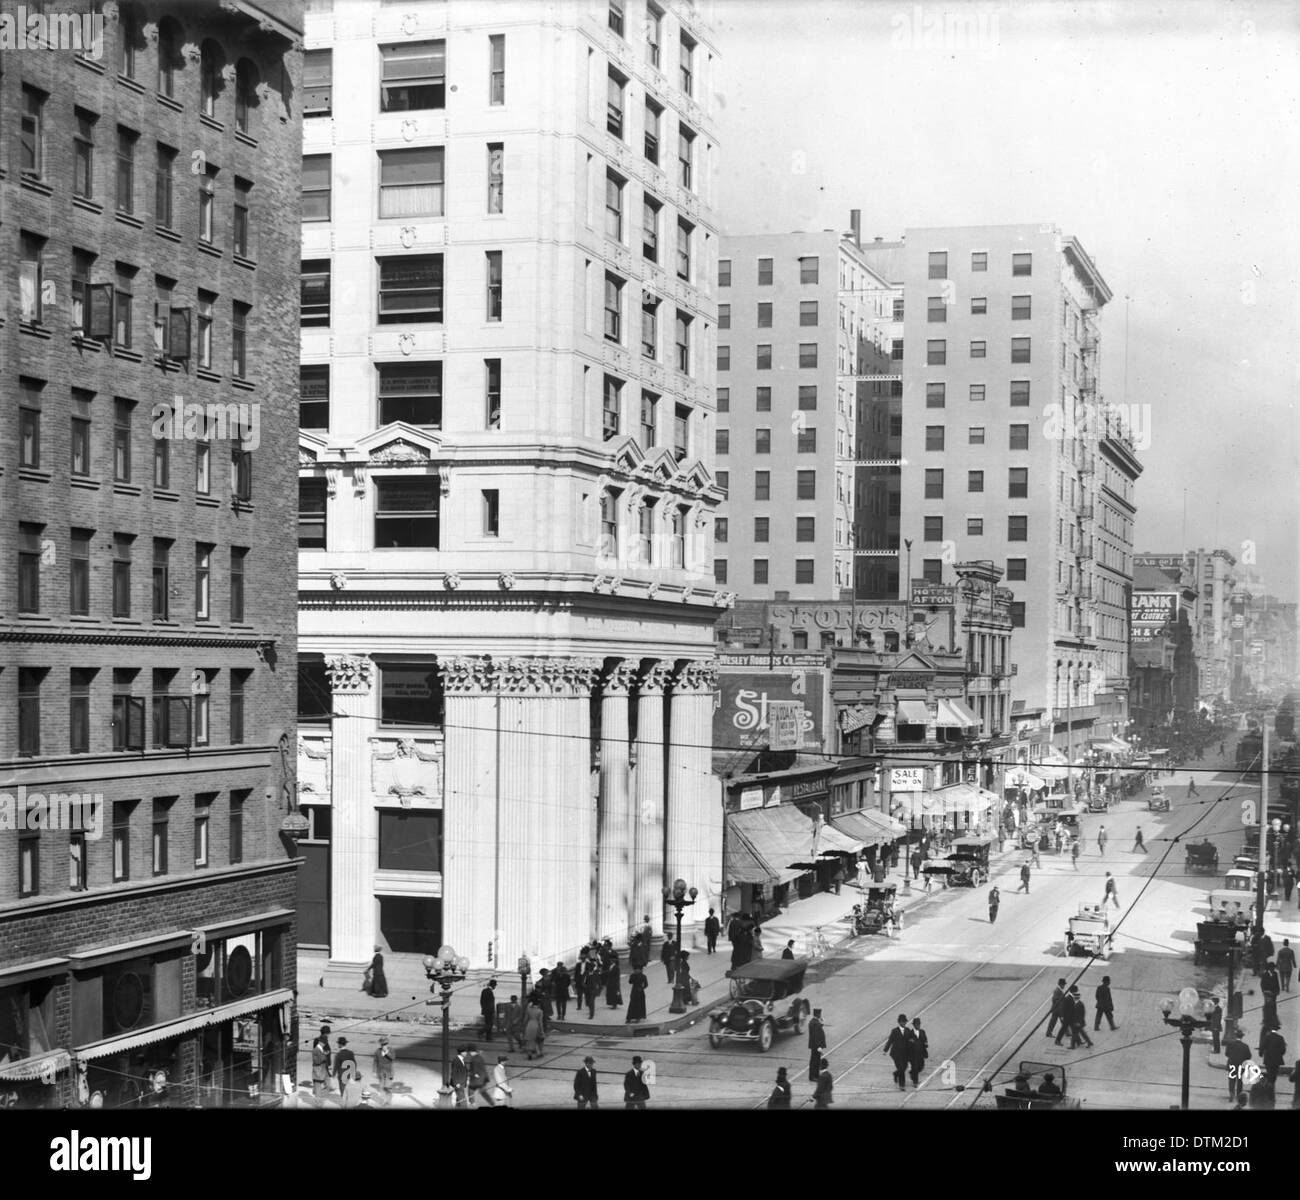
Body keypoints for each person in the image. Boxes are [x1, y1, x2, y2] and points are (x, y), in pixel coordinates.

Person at [883, 1014, 914, 1091]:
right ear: (899, 1022)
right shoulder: (894, 1031)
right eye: (902, 1022)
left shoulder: (908, 1030)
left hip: (905, 1053)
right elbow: (890, 1041)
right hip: (896, 1053)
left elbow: (911, 1039)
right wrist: (885, 1050)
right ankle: (902, 1085)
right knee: (900, 1068)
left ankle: (896, 1074)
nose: (904, 1023)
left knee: (904, 1067)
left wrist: (912, 1041)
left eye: (905, 1022)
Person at [1225, 1031, 1252, 1101]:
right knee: (1240, 1081)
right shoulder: (1245, 1046)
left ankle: (1231, 1093)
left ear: (1235, 1036)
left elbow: (1226, 1054)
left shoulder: (1230, 1044)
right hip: (1241, 1066)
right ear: (1242, 1037)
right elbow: (1248, 1056)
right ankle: (1238, 1095)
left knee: (1231, 1080)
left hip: (1232, 1064)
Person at [311, 1028, 332, 1098]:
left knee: (319, 1079)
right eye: (328, 1033)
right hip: (321, 1064)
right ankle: (319, 1093)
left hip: (321, 1064)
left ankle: (317, 1091)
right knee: (324, 1079)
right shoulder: (321, 1041)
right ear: (326, 1033)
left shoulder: (317, 1040)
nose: (329, 1035)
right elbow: (322, 1053)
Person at [808, 1009, 827, 1083]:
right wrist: (819, 1046)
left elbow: (819, 1028)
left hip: (814, 1045)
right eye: (820, 1014)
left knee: (816, 1060)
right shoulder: (815, 1023)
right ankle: (813, 1076)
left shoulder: (814, 1022)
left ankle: (815, 1075)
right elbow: (816, 1036)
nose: (821, 1015)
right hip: (816, 1046)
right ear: (817, 1014)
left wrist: (821, 1022)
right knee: (815, 1061)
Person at [909, 1017, 929, 1087]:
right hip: (913, 1054)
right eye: (916, 1024)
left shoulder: (922, 1032)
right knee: (915, 1067)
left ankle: (912, 1073)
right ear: (914, 1025)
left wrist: (926, 1043)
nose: (918, 1026)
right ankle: (915, 1082)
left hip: (921, 1053)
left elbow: (925, 1039)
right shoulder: (910, 1033)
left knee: (921, 1066)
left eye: (918, 1024)